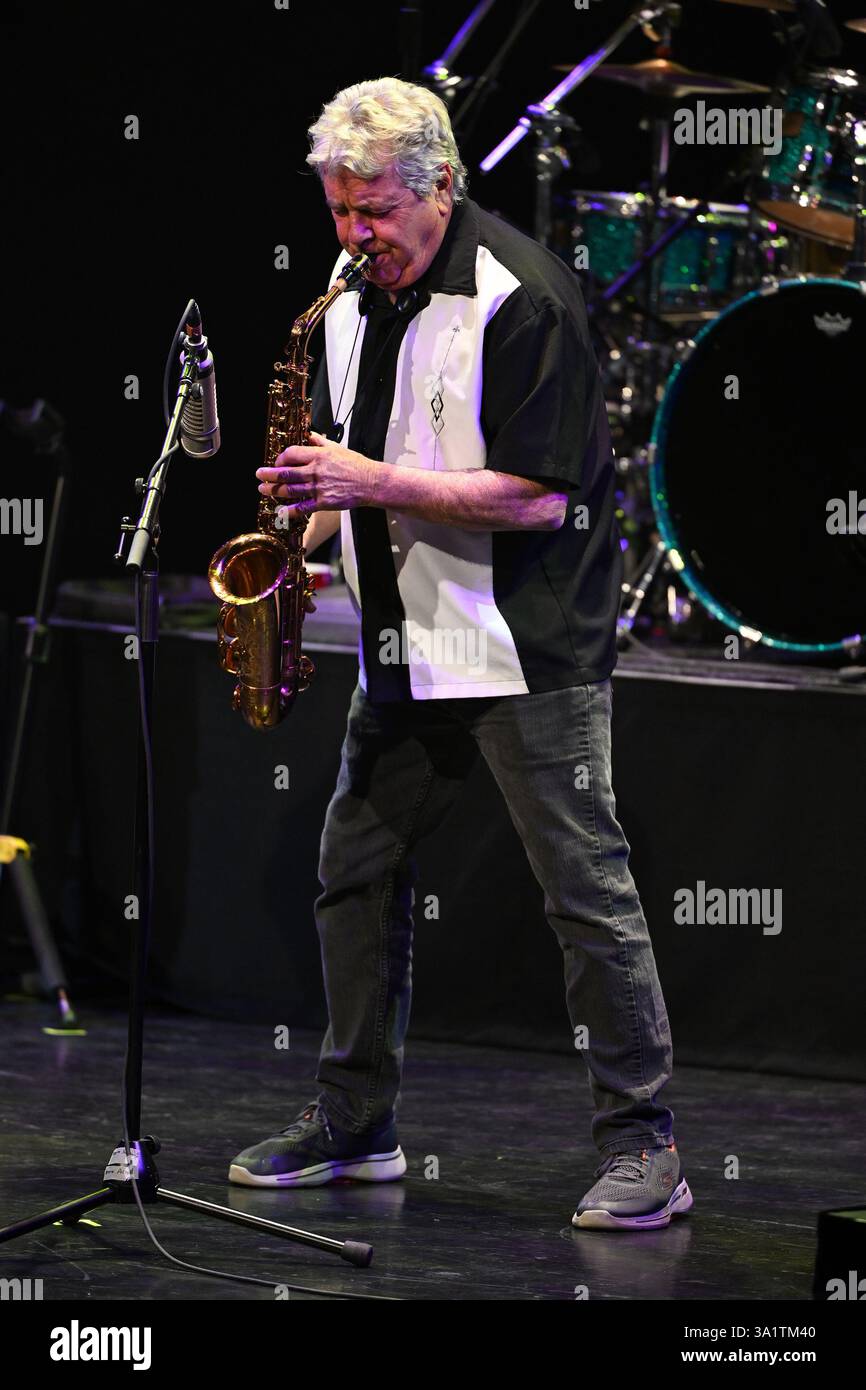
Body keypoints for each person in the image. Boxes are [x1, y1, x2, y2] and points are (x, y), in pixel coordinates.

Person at [228, 77, 693, 1231]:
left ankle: (648, 1148)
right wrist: (297, 530)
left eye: (373, 209)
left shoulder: (521, 296)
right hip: (402, 642)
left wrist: (367, 482)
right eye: (337, 209)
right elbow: (352, 473)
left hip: (523, 646)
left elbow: (538, 501)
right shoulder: (340, 304)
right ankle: (354, 1122)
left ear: (441, 182)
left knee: (583, 898)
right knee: (354, 874)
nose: (353, 236)